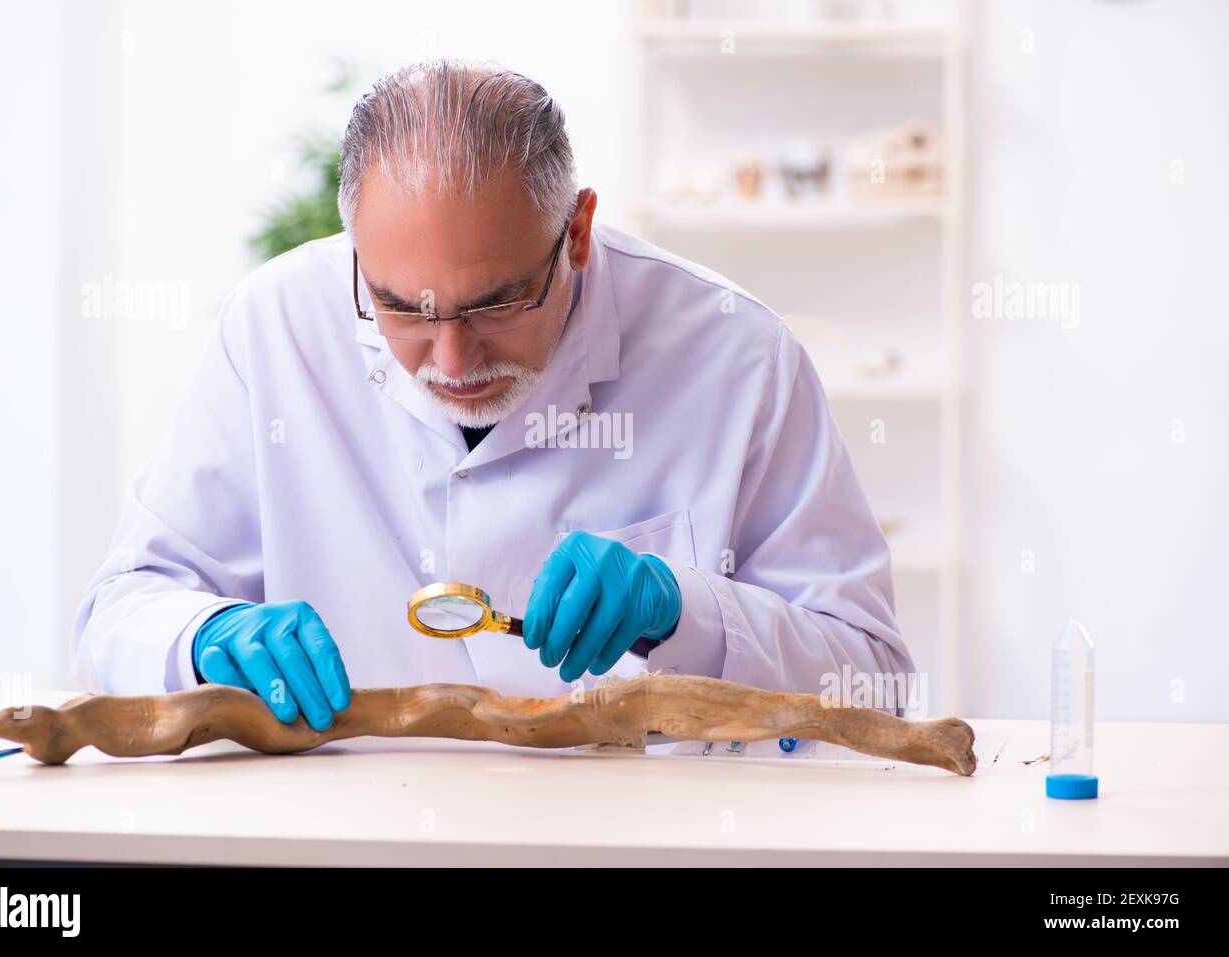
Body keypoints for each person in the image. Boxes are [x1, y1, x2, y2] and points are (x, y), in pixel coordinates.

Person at [72, 59, 915, 732]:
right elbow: (118, 613)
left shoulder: (739, 353)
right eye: (403, 307)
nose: (451, 360)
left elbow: (873, 679)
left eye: (497, 304)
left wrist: (685, 611)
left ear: (576, 232)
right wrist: (200, 638)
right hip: (346, 834)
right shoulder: (275, 326)